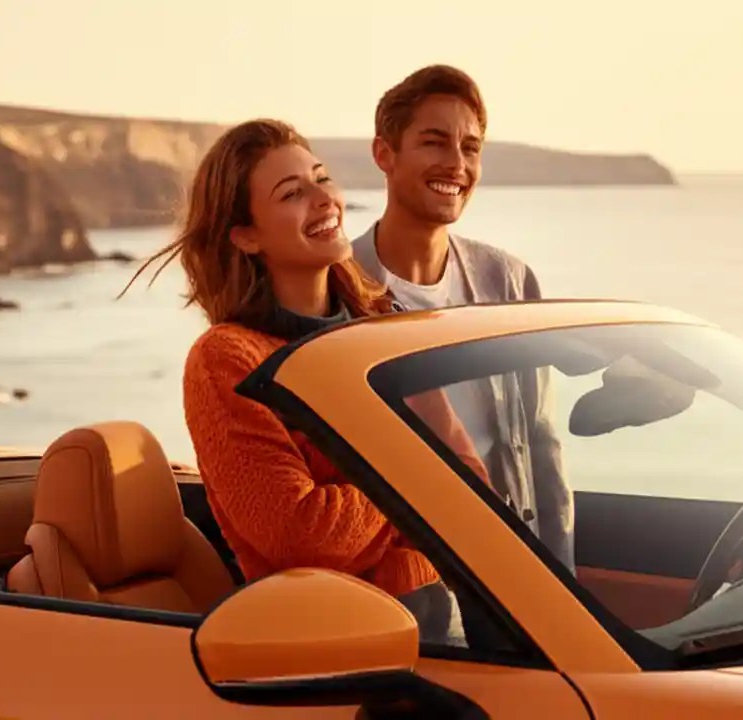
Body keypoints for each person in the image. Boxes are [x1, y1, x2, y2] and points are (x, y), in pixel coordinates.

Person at [121, 118, 489, 644]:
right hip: (332, 646)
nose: (324, 200)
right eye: (293, 193)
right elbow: (308, 538)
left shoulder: (382, 324)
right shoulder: (227, 360)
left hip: (445, 615)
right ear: (246, 236)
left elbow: (469, 479)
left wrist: (395, 492)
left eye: (322, 178)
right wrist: (418, 484)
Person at [351, 65, 575, 572]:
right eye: (434, 143)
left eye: (470, 148)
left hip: (502, 569)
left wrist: (561, 583)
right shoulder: (338, 291)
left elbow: (543, 448)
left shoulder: (509, 282)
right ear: (384, 154)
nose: (456, 164)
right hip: (399, 576)